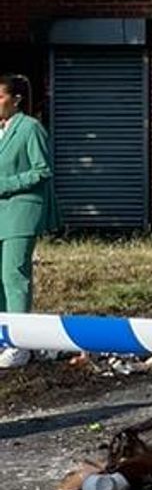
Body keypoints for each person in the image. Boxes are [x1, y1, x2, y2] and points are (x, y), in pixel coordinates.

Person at [0, 74, 55, 369]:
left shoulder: (30, 128)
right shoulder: (1, 131)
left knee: (14, 274)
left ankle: (18, 343)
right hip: (0, 213)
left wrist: (5, 184)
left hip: (21, 211)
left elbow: (42, 170)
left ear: (16, 99)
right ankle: (2, 336)